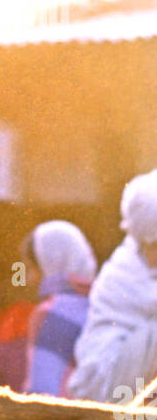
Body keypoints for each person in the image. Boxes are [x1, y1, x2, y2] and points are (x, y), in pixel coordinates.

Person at [67, 170, 157, 403]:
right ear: (139, 241)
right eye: (154, 245)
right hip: (126, 406)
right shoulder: (119, 279)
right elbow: (97, 371)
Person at [21, 221, 96, 397]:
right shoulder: (106, 303)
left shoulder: (50, 314)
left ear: (49, 265)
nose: (30, 278)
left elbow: (41, 395)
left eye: (32, 268)